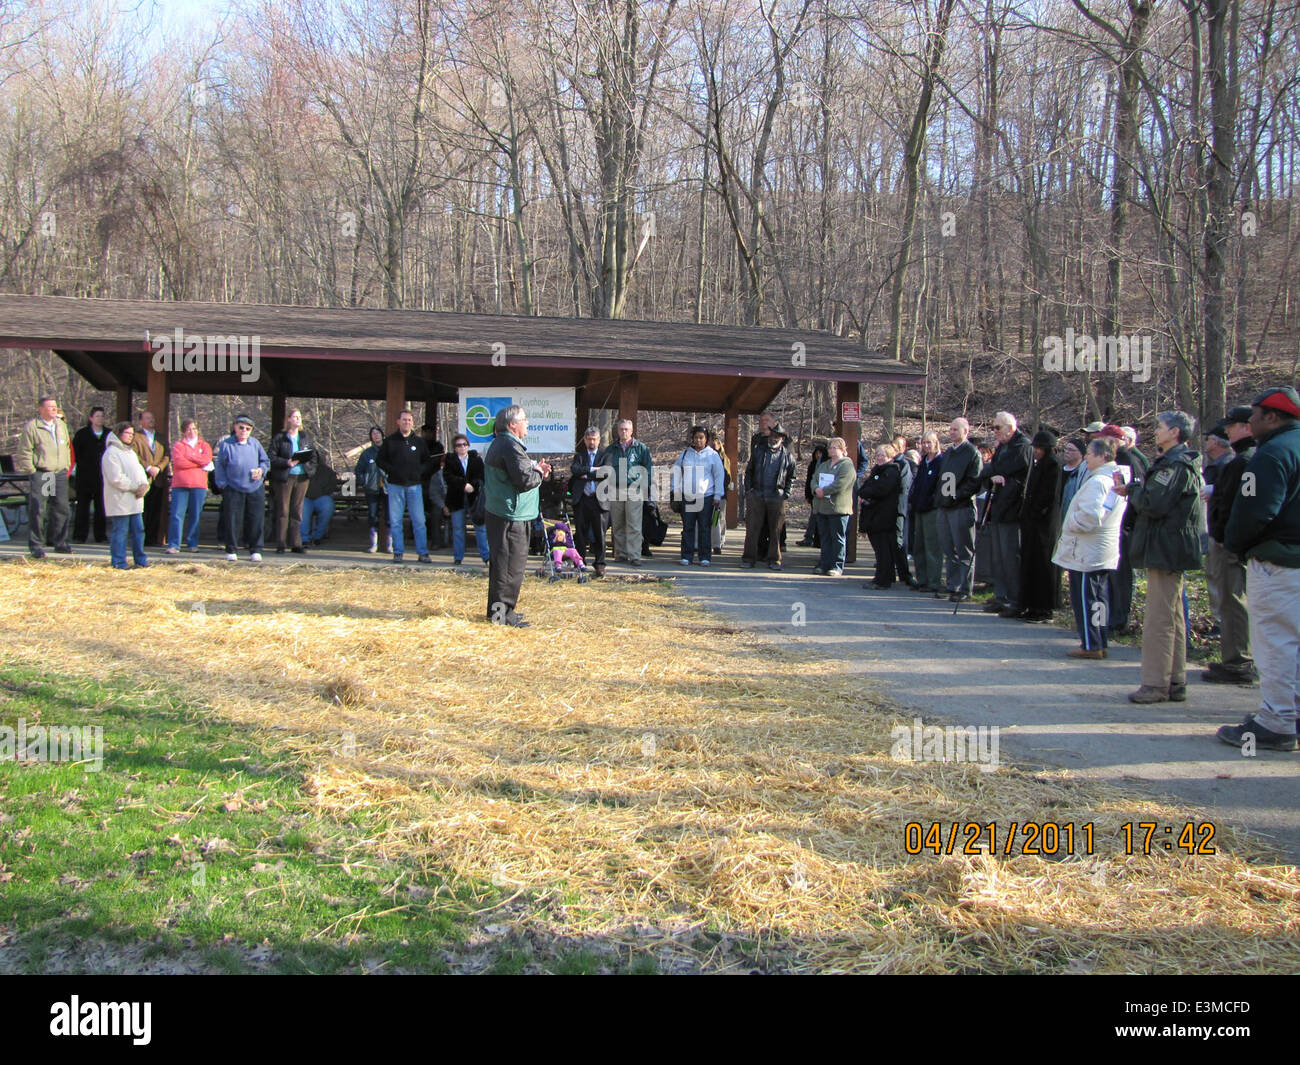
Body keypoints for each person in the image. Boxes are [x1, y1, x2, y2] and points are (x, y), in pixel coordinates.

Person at [1216, 387, 1300, 751]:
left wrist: (1236, 544)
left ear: (1272, 416)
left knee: (1276, 643)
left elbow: (1253, 511)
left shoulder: (1272, 454)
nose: (1248, 422)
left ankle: (1276, 721)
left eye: (1254, 415)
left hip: (1278, 564)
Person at [1112, 410, 1203, 704]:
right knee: (1172, 616)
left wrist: (1134, 491)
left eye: (1161, 427)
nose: (1156, 430)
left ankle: (1155, 684)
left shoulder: (1174, 465)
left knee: (1158, 620)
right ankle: (1174, 680)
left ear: (1175, 432)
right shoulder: (1177, 463)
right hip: (1170, 545)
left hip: (1166, 547)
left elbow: (1154, 503)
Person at [1053, 438, 1125, 657]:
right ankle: (1099, 640)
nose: (1086, 459)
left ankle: (1091, 644)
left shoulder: (1098, 482)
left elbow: (1090, 518)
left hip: (1089, 550)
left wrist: (1070, 520)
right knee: (1099, 599)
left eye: (1090, 455)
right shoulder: (1116, 477)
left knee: (1087, 598)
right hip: (1101, 548)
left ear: (1103, 456)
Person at [1202, 405, 1258, 685]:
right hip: (1232, 542)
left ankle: (1239, 662)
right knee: (1229, 599)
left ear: (1247, 427)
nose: (1227, 430)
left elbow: (1238, 505)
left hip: (1231, 546)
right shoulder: (1243, 460)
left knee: (1233, 600)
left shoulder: (1243, 462)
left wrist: (1225, 537)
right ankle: (1234, 657)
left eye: (1232, 425)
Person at [484, 405, 551, 627]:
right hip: (510, 516)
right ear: (512, 424)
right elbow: (524, 480)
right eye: (524, 419)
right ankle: (502, 615)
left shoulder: (502, 443)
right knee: (510, 567)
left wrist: (534, 470)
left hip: (505, 513)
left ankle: (498, 611)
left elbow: (519, 472)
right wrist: (540, 472)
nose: (527, 423)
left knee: (502, 564)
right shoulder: (509, 446)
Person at [981, 412, 1033, 616]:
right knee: (999, 556)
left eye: (997, 428)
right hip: (998, 507)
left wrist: (997, 473)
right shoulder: (1002, 447)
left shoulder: (1022, 446)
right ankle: (1000, 595)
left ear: (1010, 428)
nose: (995, 432)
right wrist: (994, 475)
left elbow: (1007, 468)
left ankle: (1014, 598)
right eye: (993, 427)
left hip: (1013, 509)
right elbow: (990, 469)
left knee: (1011, 556)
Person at [1011, 429, 1063, 622]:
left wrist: (1036, 511)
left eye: (1039, 448)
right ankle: (1029, 603)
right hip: (1032, 521)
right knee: (1030, 562)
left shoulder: (1054, 466)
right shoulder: (1038, 465)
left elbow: (1049, 496)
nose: (1036, 451)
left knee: (1043, 565)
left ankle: (1043, 607)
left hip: (1045, 523)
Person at [16, 396, 73, 559]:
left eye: (55, 407)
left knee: (62, 508)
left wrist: (66, 465)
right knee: (39, 509)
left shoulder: (61, 425)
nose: (54, 410)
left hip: (60, 472)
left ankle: (59, 542)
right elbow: (25, 451)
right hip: (43, 472)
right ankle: (36, 545)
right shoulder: (33, 427)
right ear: (41, 409)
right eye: (50, 407)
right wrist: (32, 470)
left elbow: (67, 447)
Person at [935, 417, 983, 601]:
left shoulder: (972, 453)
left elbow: (974, 481)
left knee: (964, 549)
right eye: (951, 429)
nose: (952, 432)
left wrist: (956, 496)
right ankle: (952, 585)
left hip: (962, 507)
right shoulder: (949, 453)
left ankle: (965, 588)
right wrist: (941, 498)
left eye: (956, 429)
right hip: (944, 506)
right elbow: (944, 478)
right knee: (949, 548)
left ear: (965, 431)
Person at [377, 410, 432, 563]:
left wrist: (419, 472)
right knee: (396, 521)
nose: (406, 422)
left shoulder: (419, 442)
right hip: (395, 486)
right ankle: (398, 552)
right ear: (398, 422)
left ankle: (423, 553)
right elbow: (380, 460)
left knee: (419, 521)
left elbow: (428, 461)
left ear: (413, 423)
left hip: (414, 486)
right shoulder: (390, 441)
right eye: (404, 420)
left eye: (409, 420)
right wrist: (392, 470)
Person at [214, 414, 270, 562]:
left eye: (248, 428)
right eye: (241, 427)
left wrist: (261, 470)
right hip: (233, 487)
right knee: (232, 520)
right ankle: (231, 548)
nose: (244, 430)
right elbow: (220, 466)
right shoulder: (227, 445)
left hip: (255, 487)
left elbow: (265, 461)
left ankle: (255, 549)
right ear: (235, 428)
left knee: (256, 519)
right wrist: (223, 485)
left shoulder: (255, 444)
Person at [741, 422, 796, 570]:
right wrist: (749, 491)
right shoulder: (759, 450)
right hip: (757, 494)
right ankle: (748, 558)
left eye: (777, 436)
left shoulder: (788, 456)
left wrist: (786, 493)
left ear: (782, 439)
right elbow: (749, 471)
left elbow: (791, 477)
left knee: (775, 530)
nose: (773, 438)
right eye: (772, 435)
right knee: (752, 528)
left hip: (776, 496)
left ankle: (774, 559)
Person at [671, 425, 726, 566]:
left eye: (701, 437)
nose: (698, 440)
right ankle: (686, 556)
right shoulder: (685, 454)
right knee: (688, 527)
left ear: (706, 439)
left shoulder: (713, 455)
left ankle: (705, 556)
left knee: (704, 527)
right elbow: (676, 472)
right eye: (696, 437)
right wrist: (675, 490)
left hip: (706, 496)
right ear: (692, 439)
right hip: (687, 496)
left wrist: (718, 495)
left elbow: (719, 476)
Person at [602, 419, 652, 566]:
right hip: (616, 489)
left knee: (634, 524)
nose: (623, 432)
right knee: (618, 524)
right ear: (617, 431)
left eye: (626, 429)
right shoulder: (611, 449)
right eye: (621, 429)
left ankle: (635, 555)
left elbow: (648, 469)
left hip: (634, 490)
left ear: (631, 431)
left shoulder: (641, 448)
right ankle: (621, 554)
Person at [101, 422, 151, 570]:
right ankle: (119, 561)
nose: (130, 436)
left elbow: (139, 471)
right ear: (118, 434)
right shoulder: (111, 453)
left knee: (139, 531)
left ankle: (140, 560)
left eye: (132, 434)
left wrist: (144, 485)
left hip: (135, 500)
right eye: (127, 433)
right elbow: (116, 478)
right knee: (121, 531)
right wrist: (135, 487)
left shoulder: (130, 452)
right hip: (121, 498)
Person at [269, 408, 318, 555]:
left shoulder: (305, 437)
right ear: (289, 419)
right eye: (295, 417)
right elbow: (271, 456)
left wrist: (310, 470)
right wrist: (286, 462)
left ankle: (296, 543)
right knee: (283, 510)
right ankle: (281, 543)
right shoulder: (280, 438)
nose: (298, 419)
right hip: (285, 477)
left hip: (302, 477)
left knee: (297, 510)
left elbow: (314, 456)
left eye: (299, 417)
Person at [167, 417, 213, 553]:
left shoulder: (204, 445)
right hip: (180, 484)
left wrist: (190, 458)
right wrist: (199, 463)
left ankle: (192, 543)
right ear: (184, 432)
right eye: (188, 429)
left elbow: (207, 459)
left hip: (199, 485)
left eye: (194, 428)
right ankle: (174, 544)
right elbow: (179, 462)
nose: (192, 431)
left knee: (195, 515)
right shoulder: (178, 446)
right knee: (177, 514)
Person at [859, 444, 903, 588]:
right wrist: (865, 493)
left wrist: (867, 494)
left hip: (884, 516)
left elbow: (881, 490)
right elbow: (864, 488)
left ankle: (882, 580)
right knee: (879, 549)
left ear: (890, 456)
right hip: (873, 516)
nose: (879, 458)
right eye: (877, 455)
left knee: (883, 549)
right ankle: (885, 576)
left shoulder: (891, 471)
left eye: (882, 455)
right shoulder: (877, 471)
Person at [810, 436, 855, 576]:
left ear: (842, 449)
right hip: (822, 507)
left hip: (838, 508)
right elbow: (814, 479)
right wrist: (816, 489)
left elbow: (842, 483)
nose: (831, 450)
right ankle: (824, 564)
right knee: (825, 537)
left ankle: (837, 565)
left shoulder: (847, 465)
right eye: (830, 447)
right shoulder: (824, 464)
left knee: (837, 538)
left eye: (834, 447)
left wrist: (825, 491)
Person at [444, 433, 490, 565]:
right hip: (456, 498)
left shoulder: (475, 459)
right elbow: (447, 476)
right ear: (455, 447)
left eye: (464, 444)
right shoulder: (450, 460)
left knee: (480, 528)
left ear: (468, 446)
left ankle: (486, 557)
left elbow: (481, 477)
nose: (462, 447)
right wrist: (463, 485)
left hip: (474, 499)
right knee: (458, 529)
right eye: (459, 445)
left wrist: (473, 486)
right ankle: (458, 557)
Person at [908, 431, 944, 591]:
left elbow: (945, 487)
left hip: (932, 509)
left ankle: (934, 581)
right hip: (919, 508)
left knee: (932, 546)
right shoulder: (923, 462)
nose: (926, 445)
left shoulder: (941, 462)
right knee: (919, 545)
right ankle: (921, 578)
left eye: (929, 442)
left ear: (936, 443)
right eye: (924, 443)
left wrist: (935, 502)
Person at [71, 406, 109, 543]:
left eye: (102, 416)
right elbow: (75, 454)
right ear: (91, 418)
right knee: (82, 507)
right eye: (97, 416)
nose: (100, 419)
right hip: (85, 476)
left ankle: (100, 535)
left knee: (101, 507)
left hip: (102, 477)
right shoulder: (82, 434)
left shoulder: (108, 434)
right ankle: (79, 536)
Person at [132, 410, 170, 546]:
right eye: (148, 418)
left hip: (158, 479)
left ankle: (152, 539)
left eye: (152, 418)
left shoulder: (161, 437)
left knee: (155, 510)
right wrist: (148, 467)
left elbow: (167, 455)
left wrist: (159, 468)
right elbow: (134, 454)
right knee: (142, 510)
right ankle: (139, 539)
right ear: (141, 421)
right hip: (143, 478)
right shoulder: (136, 437)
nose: (151, 421)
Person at [355, 426, 389, 553]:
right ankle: (374, 544)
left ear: (382, 435)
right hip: (372, 489)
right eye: (373, 434)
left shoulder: (388, 451)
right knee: (372, 516)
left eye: (378, 433)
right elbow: (359, 470)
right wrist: (364, 481)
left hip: (387, 488)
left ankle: (389, 544)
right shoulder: (367, 453)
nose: (376, 436)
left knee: (390, 517)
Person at [891, 437, 916, 586]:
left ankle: (905, 574)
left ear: (902, 448)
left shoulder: (905, 465)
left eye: (896, 447)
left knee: (899, 542)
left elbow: (904, 489)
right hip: (887, 510)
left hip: (900, 508)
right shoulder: (889, 464)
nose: (893, 449)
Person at [797, 441, 830, 548]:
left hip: (823, 494)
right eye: (817, 453)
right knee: (814, 517)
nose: (818, 456)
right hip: (813, 494)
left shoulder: (826, 464)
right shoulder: (812, 464)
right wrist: (808, 494)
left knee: (816, 518)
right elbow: (809, 481)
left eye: (820, 453)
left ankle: (813, 539)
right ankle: (809, 538)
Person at [301, 456, 338, 547]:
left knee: (328, 507)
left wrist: (324, 492)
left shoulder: (328, 471)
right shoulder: (301, 469)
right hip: (305, 497)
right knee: (302, 511)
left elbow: (332, 485)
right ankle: (304, 539)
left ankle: (317, 536)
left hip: (322, 497)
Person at [707, 430, 732, 552]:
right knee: (712, 519)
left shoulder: (724, 458)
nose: (712, 446)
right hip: (710, 493)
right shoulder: (707, 456)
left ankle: (720, 541)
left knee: (719, 518)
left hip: (721, 495)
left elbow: (727, 477)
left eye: (714, 443)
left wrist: (721, 490)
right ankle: (713, 540)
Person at [1058, 438, 1088, 519]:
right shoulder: (1059, 469)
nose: (1067, 452)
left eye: (1071, 450)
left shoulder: (1082, 473)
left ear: (1081, 454)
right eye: (1066, 449)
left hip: (1072, 515)